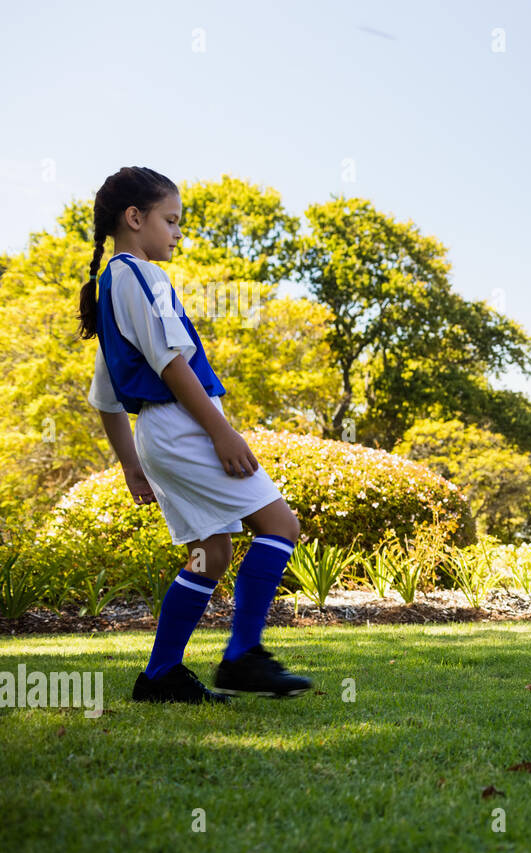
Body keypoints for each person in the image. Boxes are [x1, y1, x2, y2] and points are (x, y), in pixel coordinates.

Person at [79, 166, 312, 704]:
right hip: (184, 429)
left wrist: (132, 465)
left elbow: (107, 400)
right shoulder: (143, 277)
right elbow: (172, 365)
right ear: (135, 219)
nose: (178, 232)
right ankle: (242, 657)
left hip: (158, 438)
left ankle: (161, 676)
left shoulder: (113, 291)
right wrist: (223, 433)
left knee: (211, 550)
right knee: (280, 525)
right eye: (171, 220)